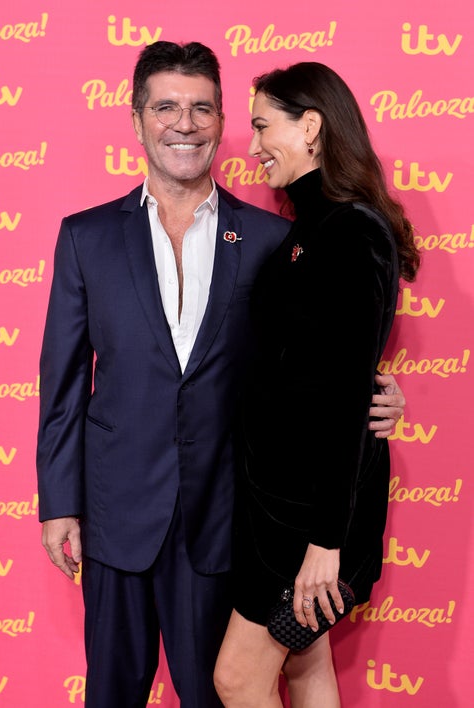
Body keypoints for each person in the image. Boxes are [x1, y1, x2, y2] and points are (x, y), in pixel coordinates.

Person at [36, 43, 406, 708]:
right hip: (117, 513)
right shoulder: (84, 237)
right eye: (166, 107)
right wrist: (60, 503)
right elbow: (61, 386)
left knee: (221, 689)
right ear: (137, 120)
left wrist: (379, 395)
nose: (185, 123)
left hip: (227, 518)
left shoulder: (272, 238)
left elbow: (319, 357)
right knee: (111, 692)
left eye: (202, 108)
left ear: (221, 120)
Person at [214, 62, 420, 708]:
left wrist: (325, 543)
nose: (251, 146)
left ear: (310, 127)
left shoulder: (351, 232)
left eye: (262, 127)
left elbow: (341, 396)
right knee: (305, 669)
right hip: (278, 504)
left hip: (306, 519)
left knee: (237, 679)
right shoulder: (313, 226)